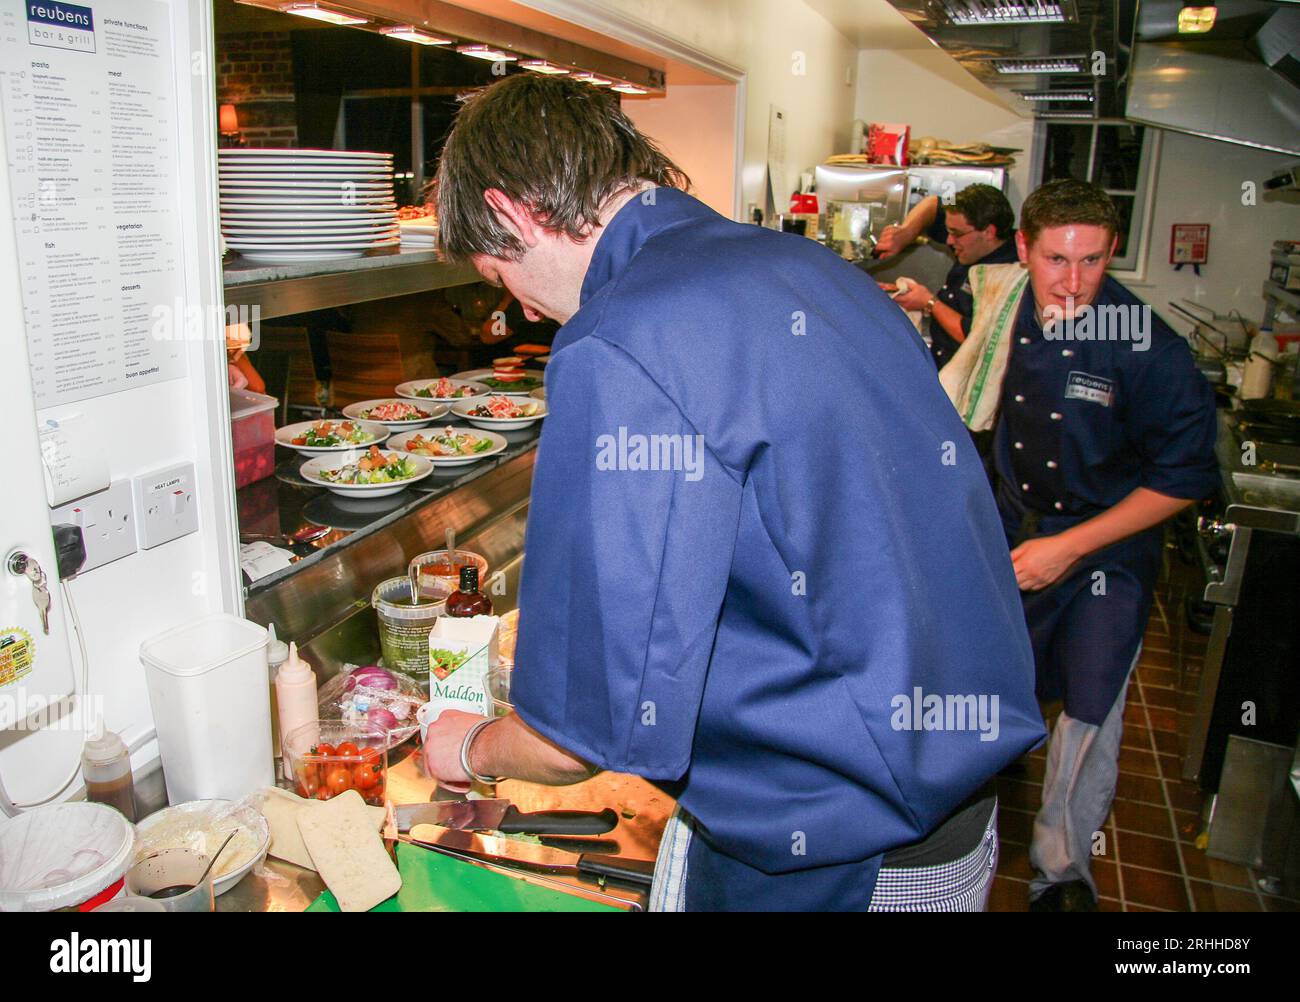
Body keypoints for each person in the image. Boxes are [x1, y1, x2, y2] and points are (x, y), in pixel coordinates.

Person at [421, 74, 1045, 911]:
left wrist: (467, 748)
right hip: (951, 806)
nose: (523, 308)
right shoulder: (802, 266)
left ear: (515, 212)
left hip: (837, 856)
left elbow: (582, 731)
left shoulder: (623, 337)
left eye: (500, 272)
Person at [939, 179, 1219, 911]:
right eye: (1056, 259)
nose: (1072, 282)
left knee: (1090, 712)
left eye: (1091, 261)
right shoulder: (1002, 308)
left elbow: (1185, 478)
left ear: (1112, 252)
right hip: (1009, 531)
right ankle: (964, 832)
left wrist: (1072, 547)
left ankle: (1061, 872)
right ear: (1023, 249)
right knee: (985, 683)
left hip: (1104, 548)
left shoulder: (1150, 349)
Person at [875, 185, 1019, 370]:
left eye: (957, 234)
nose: (950, 241)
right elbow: (934, 203)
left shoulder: (1011, 273)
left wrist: (929, 303)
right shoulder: (972, 239)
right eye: (948, 231)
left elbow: (977, 338)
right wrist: (906, 232)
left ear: (989, 232)